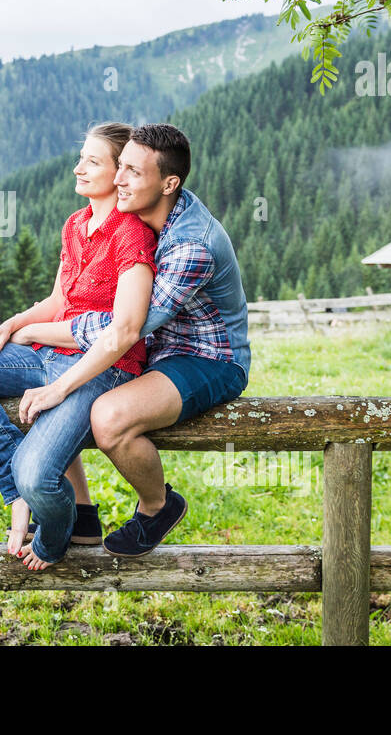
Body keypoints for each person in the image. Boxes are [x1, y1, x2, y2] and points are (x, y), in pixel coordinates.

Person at [0, 123, 156, 570]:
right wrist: (8, 326)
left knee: (38, 475)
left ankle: (53, 536)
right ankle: (16, 488)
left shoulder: (133, 234)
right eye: (80, 157)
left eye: (92, 161)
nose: (78, 168)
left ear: (120, 173)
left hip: (102, 368)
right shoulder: (77, 223)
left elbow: (124, 330)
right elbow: (59, 301)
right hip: (45, 354)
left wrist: (59, 384)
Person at [34, 124, 250, 557]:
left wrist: (44, 341)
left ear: (169, 183)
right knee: (52, 380)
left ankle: (158, 505)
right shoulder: (140, 216)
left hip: (206, 357)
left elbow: (125, 327)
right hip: (152, 348)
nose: (118, 179)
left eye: (132, 171)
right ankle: (80, 513)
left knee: (108, 416)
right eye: (121, 167)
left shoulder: (192, 246)